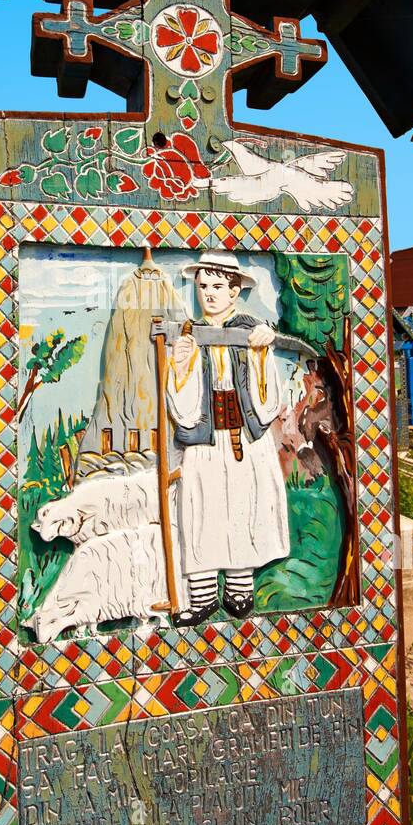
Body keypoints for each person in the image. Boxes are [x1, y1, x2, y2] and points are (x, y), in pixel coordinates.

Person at [166, 250, 289, 626]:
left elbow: (269, 403)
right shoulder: (188, 334)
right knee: (203, 511)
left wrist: (260, 354)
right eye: (203, 286)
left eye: (218, 286)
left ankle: (239, 590)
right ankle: (202, 597)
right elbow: (182, 406)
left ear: (235, 291)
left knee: (244, 509)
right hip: (206, 440)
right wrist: (182, 364)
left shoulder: (253, 329)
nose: (209, 294)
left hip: (245, 439)